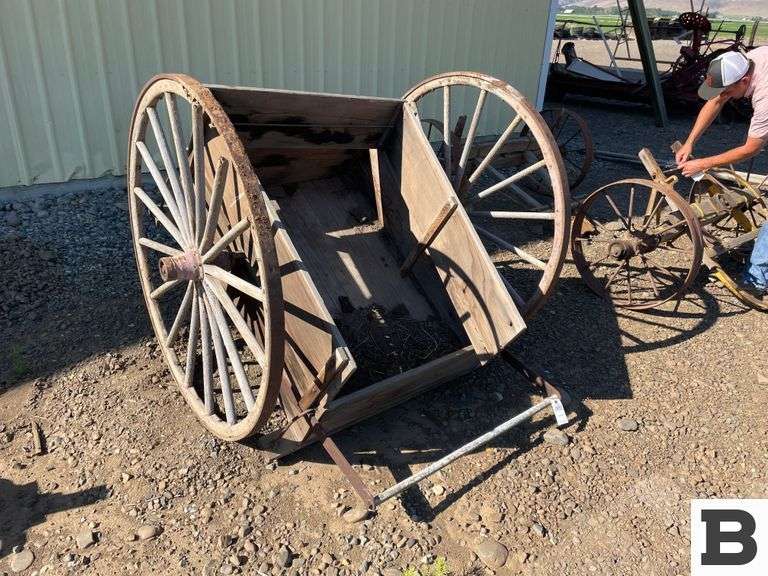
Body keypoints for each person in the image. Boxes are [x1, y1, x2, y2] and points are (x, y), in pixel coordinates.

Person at [676, 47, 768, 298]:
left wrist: (704, 163)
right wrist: (690, 141)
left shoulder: (765, 95)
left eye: (729, 90)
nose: (726, 95)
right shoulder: (749, 60)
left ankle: (758, 277)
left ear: (745, 81)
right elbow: (716, 99)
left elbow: (752, 148)